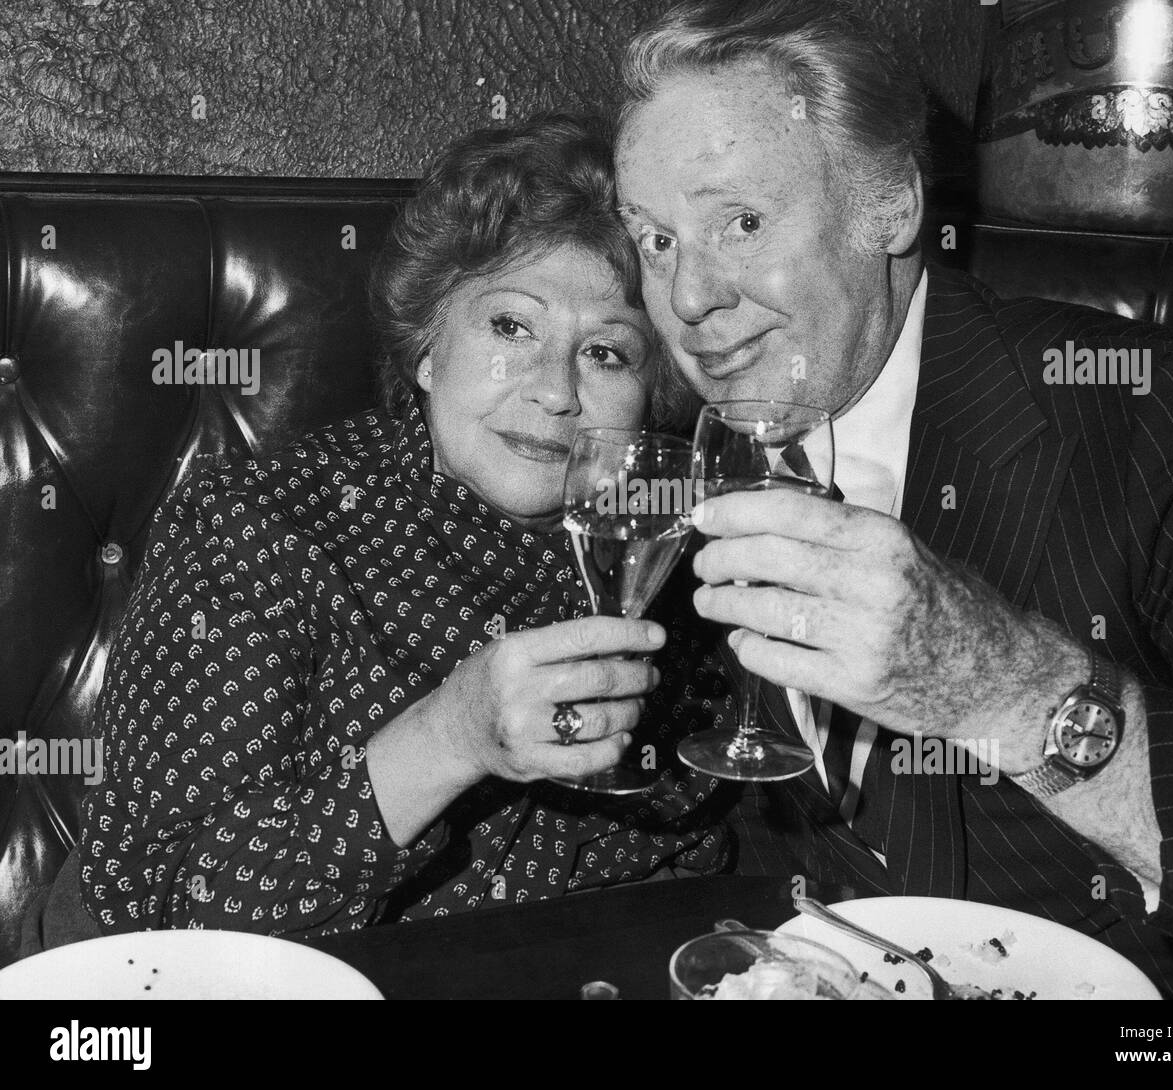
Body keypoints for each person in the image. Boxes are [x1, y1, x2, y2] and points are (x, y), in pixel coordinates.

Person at [614, 0, 1173, 998]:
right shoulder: (684, 456)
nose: (686, 299)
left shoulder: (1151, 413)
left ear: (889, 203)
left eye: (743, 221)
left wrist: (1007, 691)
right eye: (656, 241)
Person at [61, 114, 733, 943]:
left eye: (606, 353)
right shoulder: (257, 528)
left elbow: (692, 853)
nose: (556, 391)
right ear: (426, 347)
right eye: (511, 326)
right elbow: (178, 920)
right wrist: (450, 737)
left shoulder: (661, 551)